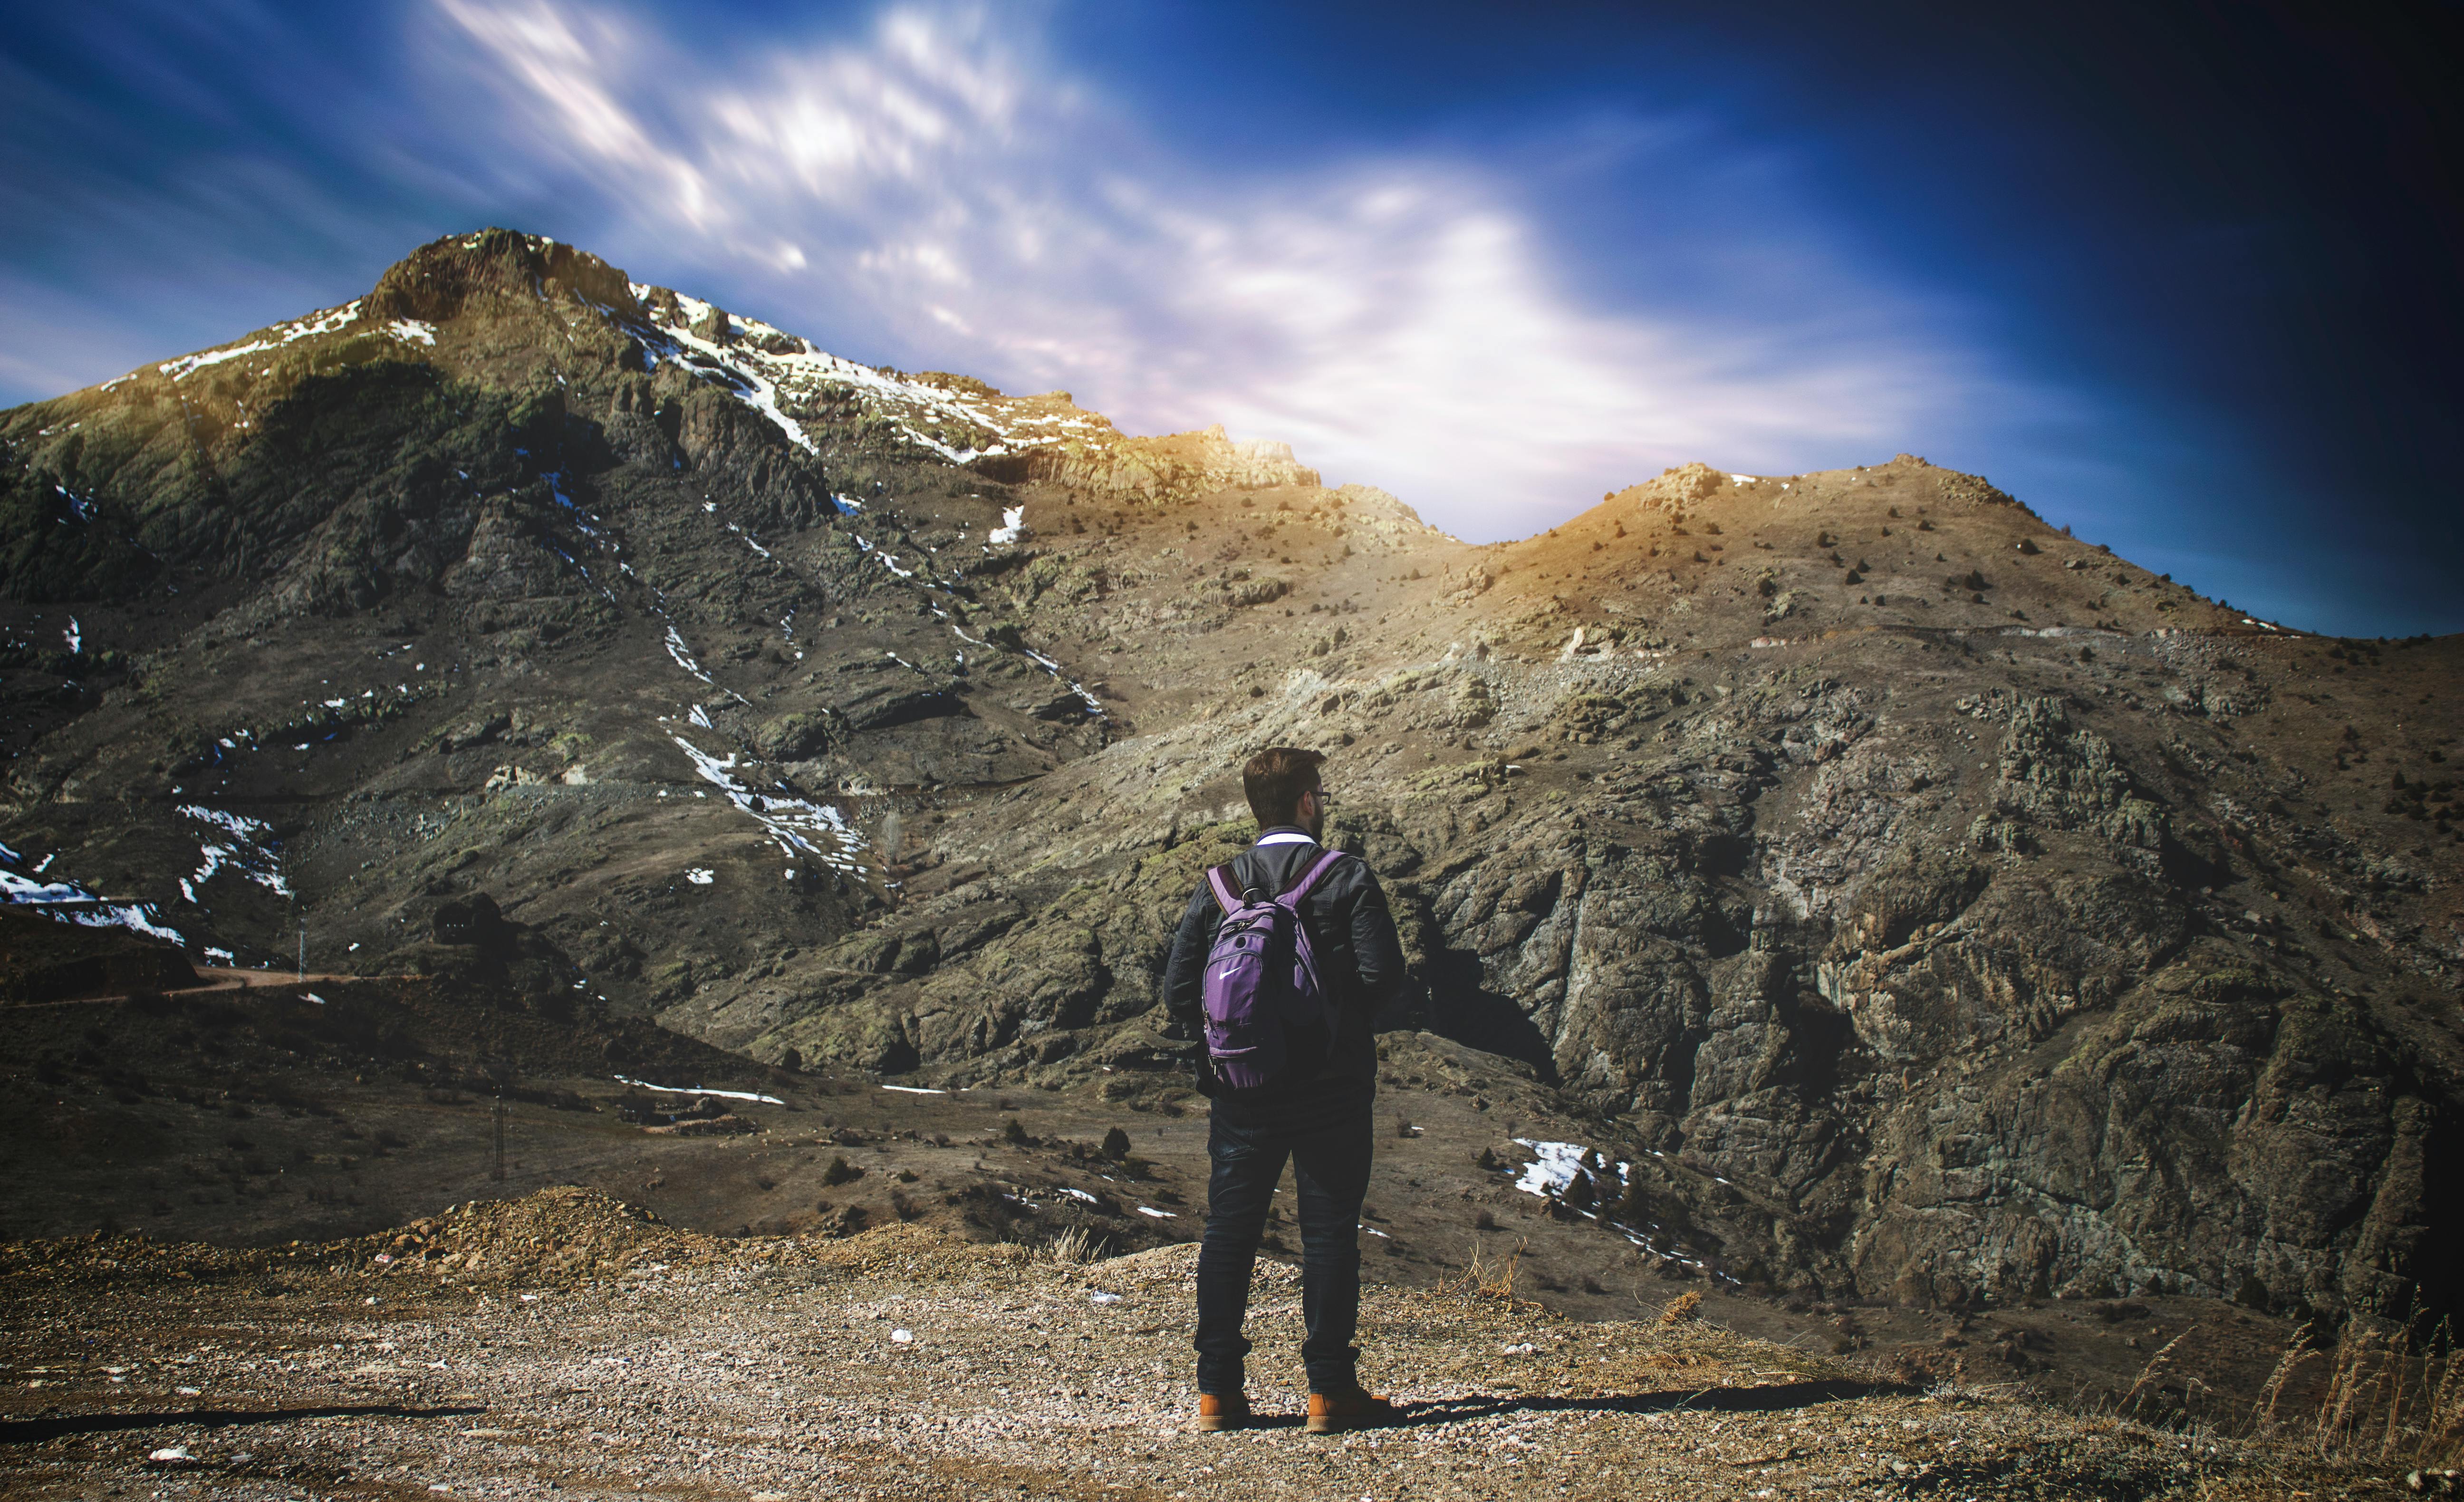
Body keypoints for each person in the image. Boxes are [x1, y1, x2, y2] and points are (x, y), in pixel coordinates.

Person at [1162, 745, 1406, 1434]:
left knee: (1230, 1233)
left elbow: (1178, 991)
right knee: (1329, 1235)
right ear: (1306, 802)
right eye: (1319, 794)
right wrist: (1331, 1027)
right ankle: (1328, 1393)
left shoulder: (1219, 885)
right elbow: (1383, 978)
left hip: (1241, 1092)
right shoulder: (1347, 877)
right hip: (1332, 1090)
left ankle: (1218, 1393)